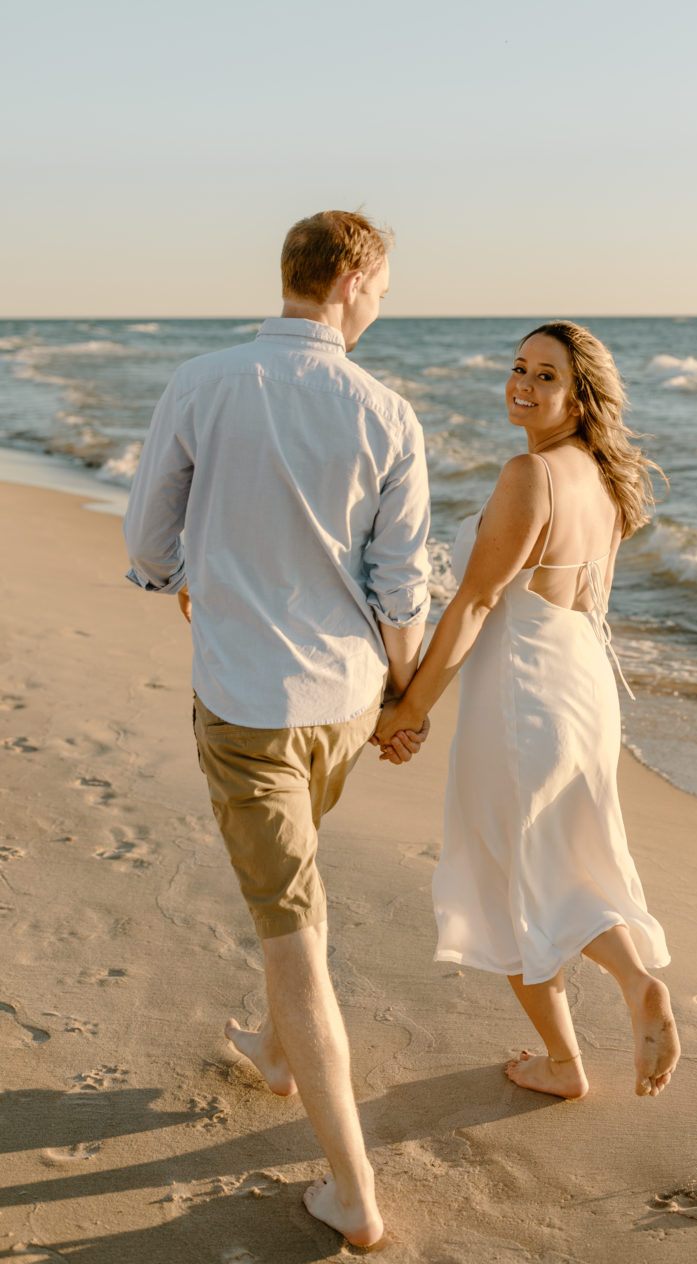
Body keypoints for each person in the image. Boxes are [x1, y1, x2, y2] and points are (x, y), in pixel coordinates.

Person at [123, 210, 430, 1250]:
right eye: (382, 284)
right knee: (289, 888)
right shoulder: (386, 410)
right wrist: (402, 696)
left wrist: (174, 579)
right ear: (349, 278)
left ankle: (353, 1191)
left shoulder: (203, 383)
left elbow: (148, 535)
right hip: (342, 706)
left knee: (292, 927)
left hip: (248, 706)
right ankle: (275, 1049)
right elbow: (401, 582)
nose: (383, 303)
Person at [376, 320, 680, 1101]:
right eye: (518, 367)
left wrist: (408, 708)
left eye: (546, 375)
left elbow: (476, 603)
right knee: (565, 857)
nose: (523, 383)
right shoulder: (604, 479)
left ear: (580, 395)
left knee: (507, 875)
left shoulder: (529, 475)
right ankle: (617, 999)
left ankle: (573, 1054)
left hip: (521, 696)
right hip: (581, 688)